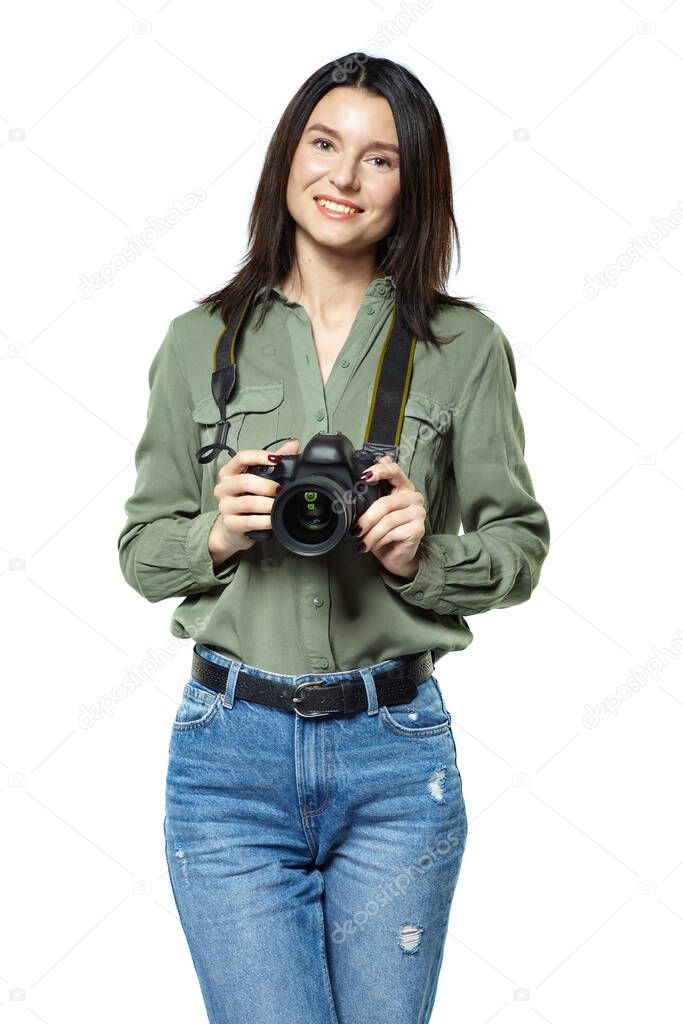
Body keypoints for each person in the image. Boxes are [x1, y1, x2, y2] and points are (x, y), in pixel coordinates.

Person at [117, 51, 550, 1024]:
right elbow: (142, 551)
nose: (343, 179)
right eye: (322, 144)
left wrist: (421, 551)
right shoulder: (200, 344)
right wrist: (219, 534)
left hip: (393, 756)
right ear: (287, 156)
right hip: (228, 760)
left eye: (379, 159)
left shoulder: (462, 348)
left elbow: (517, 542)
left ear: (413, 185)